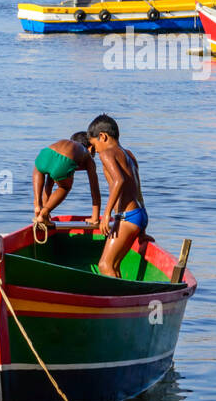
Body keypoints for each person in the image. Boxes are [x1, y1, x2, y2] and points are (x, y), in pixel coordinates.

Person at [87, 114, 147, 278]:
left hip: (127, 218)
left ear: (102, 137)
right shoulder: (129, 154)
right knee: (113, 265)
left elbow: (118, 181)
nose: (94, 150)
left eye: (94, 144)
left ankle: (119, 301)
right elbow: (138, 189)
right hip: (140, 213)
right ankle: (122, 296)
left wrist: (106, 215)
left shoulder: (106, 153)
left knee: (104, 265)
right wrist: (143, 226)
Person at [32, 132, 100, 228]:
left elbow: (49, 185)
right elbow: (94, 189)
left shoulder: (65, 145)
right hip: (63, 161)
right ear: (90, 147)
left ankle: (38, 206)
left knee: (47, 178)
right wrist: (95, 217)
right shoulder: (87, 154)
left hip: (44, 154)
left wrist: (43, 205)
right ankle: (44, 213)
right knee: (64, 187)